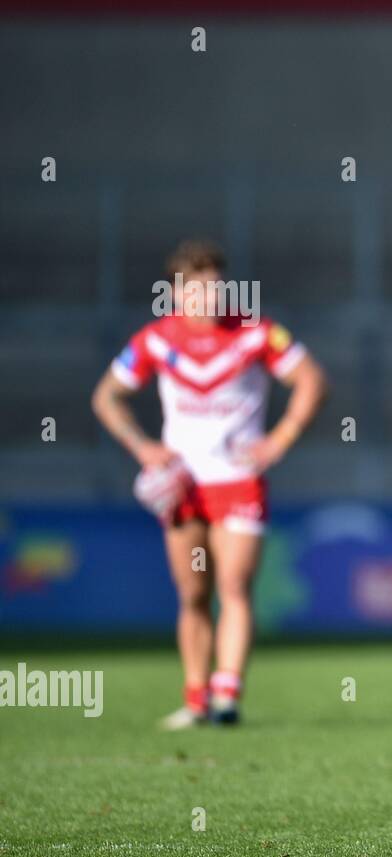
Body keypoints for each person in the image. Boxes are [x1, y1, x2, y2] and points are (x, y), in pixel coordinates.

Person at [92, 239, 328, 728]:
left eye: (216, 286)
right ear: (176, 293)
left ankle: (227, 696)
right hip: (182, 485)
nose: (209, 296)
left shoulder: (255, 333)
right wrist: (142, 448)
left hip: (238, 480)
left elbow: (311, 380)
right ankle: (196, 699)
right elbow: (107, 396)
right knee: (192, 594)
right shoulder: (157, 340)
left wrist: (279, 439)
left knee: (234, 587)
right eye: (197, 288)